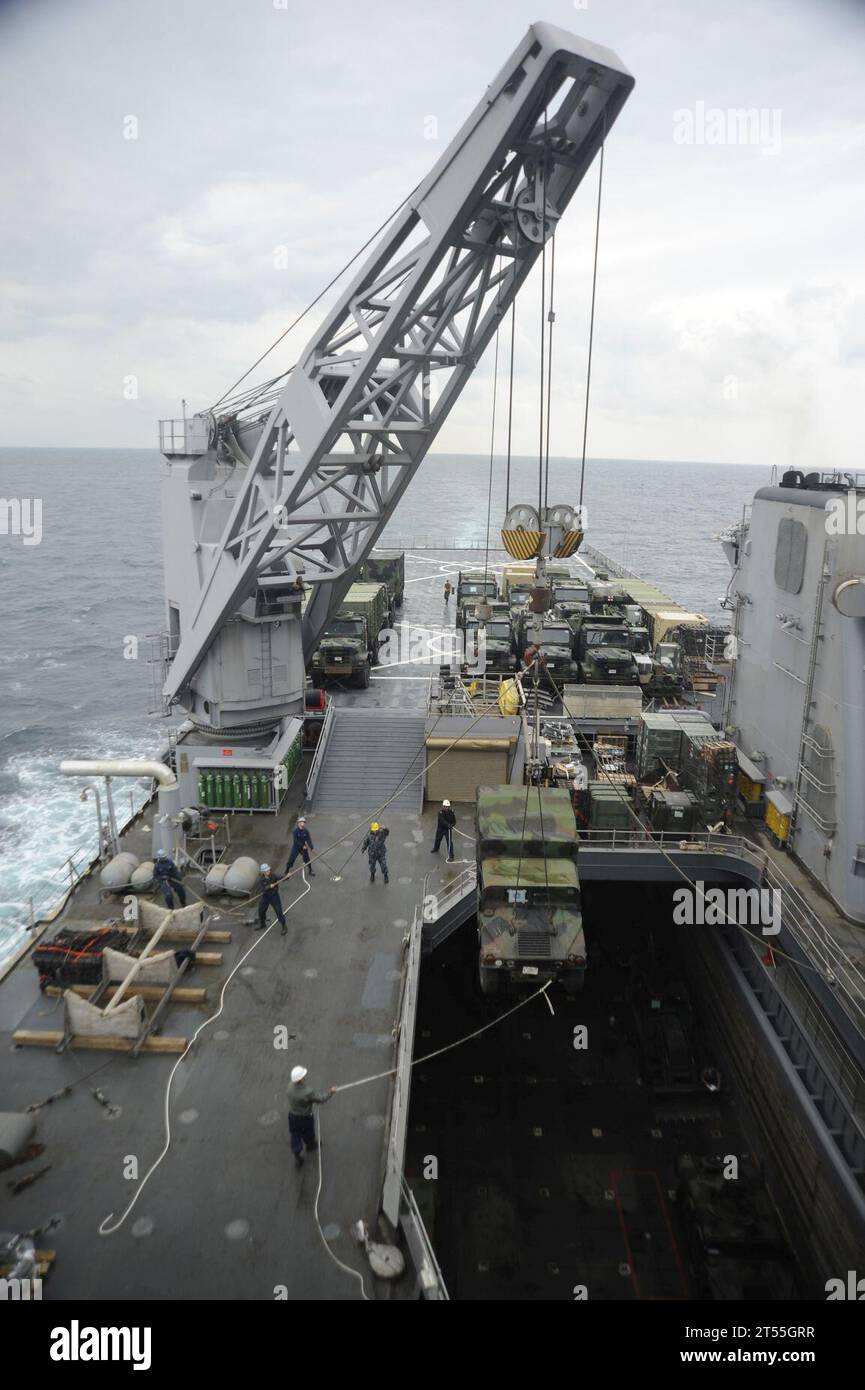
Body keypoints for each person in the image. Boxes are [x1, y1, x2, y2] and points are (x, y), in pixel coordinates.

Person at [287, 1064, 335, 1170]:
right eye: (303, 1076)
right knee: (308, 1132)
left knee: (295, 1135)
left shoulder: (290, 1086)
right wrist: (330, 1092)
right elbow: (321, 1099)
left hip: (292, 1116)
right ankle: (310, 1145)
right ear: (300, 1079)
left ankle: (297, 1154)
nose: (305, 1077)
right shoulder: (308, 1091)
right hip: (304, 1117)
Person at [256, 863, 287, 935]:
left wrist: (287, 877)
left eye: (268, 870)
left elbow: (281, 877)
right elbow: (261, 889)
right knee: (261, 910)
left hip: (274, 896)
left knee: (278, 911)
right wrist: (269, 886)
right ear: (263, 873)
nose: (268, 871)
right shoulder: (261, 879)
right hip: (265, 896)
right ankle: (262, 924)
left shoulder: (273, 876)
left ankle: (284, 926)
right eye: (266, 871)